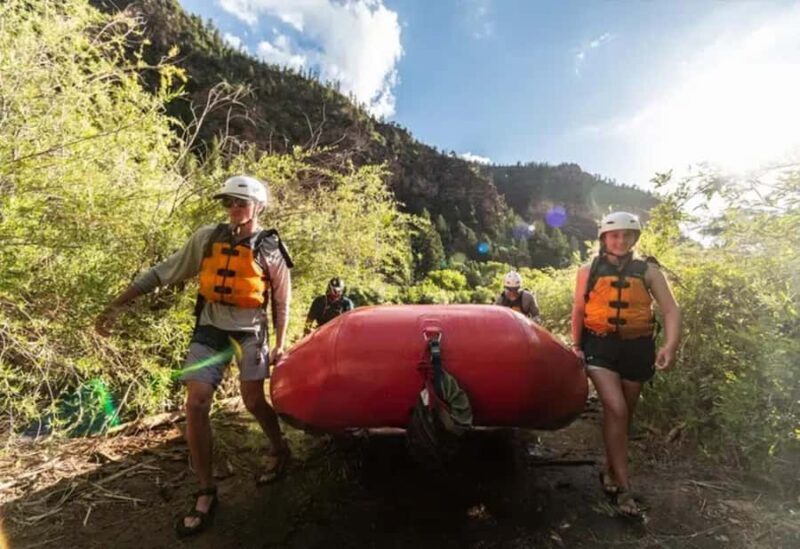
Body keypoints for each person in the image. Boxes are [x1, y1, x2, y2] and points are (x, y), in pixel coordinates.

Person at [95, 175, 293, 537]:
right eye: (229, 202)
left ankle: (279, 447)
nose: (233, 208)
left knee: (252, 401)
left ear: (257, 207)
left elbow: (281, 300)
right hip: (210, 328)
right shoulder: (207, 238)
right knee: (196, 404)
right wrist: (116, 305)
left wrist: (280, 342)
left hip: (250, 332)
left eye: (240, 202)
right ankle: (205, 490)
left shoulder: (270, 248)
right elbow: (164, 271)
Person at [570, 211, 680, 518]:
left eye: (627, 235)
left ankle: (609, 470)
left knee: (624, 415)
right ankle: (624, 487)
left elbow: (671, 310)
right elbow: (579, 310)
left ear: (635, 239)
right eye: (615, 235)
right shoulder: (587, 269)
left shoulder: (649, 271)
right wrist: (576, 346)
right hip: (599, 346)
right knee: (616, 409)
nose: (621, 240)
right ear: (604, 239)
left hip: (638, 349)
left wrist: (669, 345)